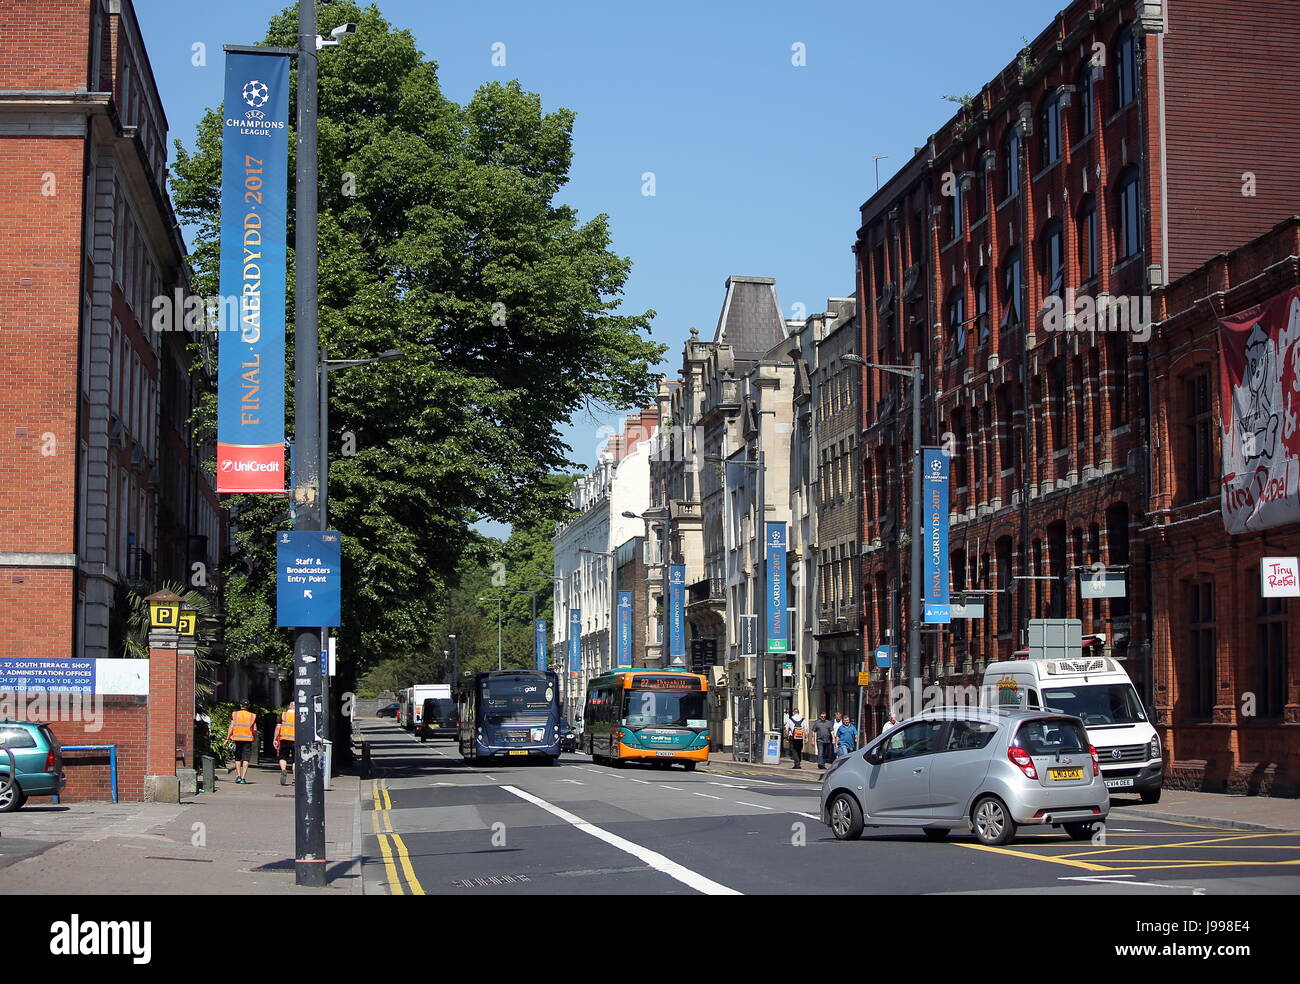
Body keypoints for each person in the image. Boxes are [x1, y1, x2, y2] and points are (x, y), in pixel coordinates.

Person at [228, 700, 258, 784]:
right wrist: (254, 737)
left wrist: (227, 738)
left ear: (240, 705)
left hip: (237, 738)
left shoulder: (235, 714)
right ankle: (243, 778)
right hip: (247, 739)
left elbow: (231, 726)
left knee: (237, 757)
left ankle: (238, 776)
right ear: (248, 706)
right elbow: (254, 729)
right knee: (246, 758)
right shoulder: (252, 715)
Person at [273, 705, 296, 785]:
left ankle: (283, 769)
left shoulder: (283, 715)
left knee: (282, 757)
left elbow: (278, 728)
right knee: (295, 760)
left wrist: (275, 739)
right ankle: (294, 779)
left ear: (289, 707)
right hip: (296, 740)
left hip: (284, 739)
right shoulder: (299, 716)